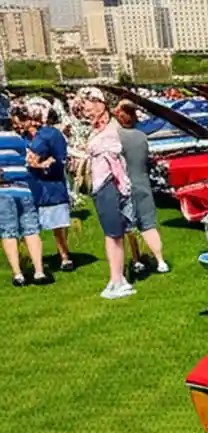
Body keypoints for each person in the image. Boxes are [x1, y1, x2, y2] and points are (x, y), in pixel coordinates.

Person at [77, 87, 136, 299]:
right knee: (110, 235)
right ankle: (115, 278)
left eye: (89, 107)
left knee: (114, 234)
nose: (86, 112)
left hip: (110, 184)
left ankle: (118, 280)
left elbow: (115, 160)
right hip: (101, 185)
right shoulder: (99, 130)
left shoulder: (111, 130)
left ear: (101, 105)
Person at [113, 100, 168, 276]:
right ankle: (160, 261)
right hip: (142, 182)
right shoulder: (141, 136)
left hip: (124, 185)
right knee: (149, 224)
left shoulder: (116, 137)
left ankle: (136, 259)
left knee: (129, 225)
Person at [22, 99, 74, 272]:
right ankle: (33, 260)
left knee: (58, 223)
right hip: (29, 186)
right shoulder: (23, 137)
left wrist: (42, 164)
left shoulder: (50, 134)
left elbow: (60, 157)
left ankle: (65, 256)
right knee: (29, 225)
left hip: (50, 186)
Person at [1, 113, 50, 287]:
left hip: (3, 190)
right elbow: (28, 160)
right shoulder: (19, 140)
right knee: (31, 230)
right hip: (24, 188)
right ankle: (39, 271)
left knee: (8, 232)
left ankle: (18, 274)